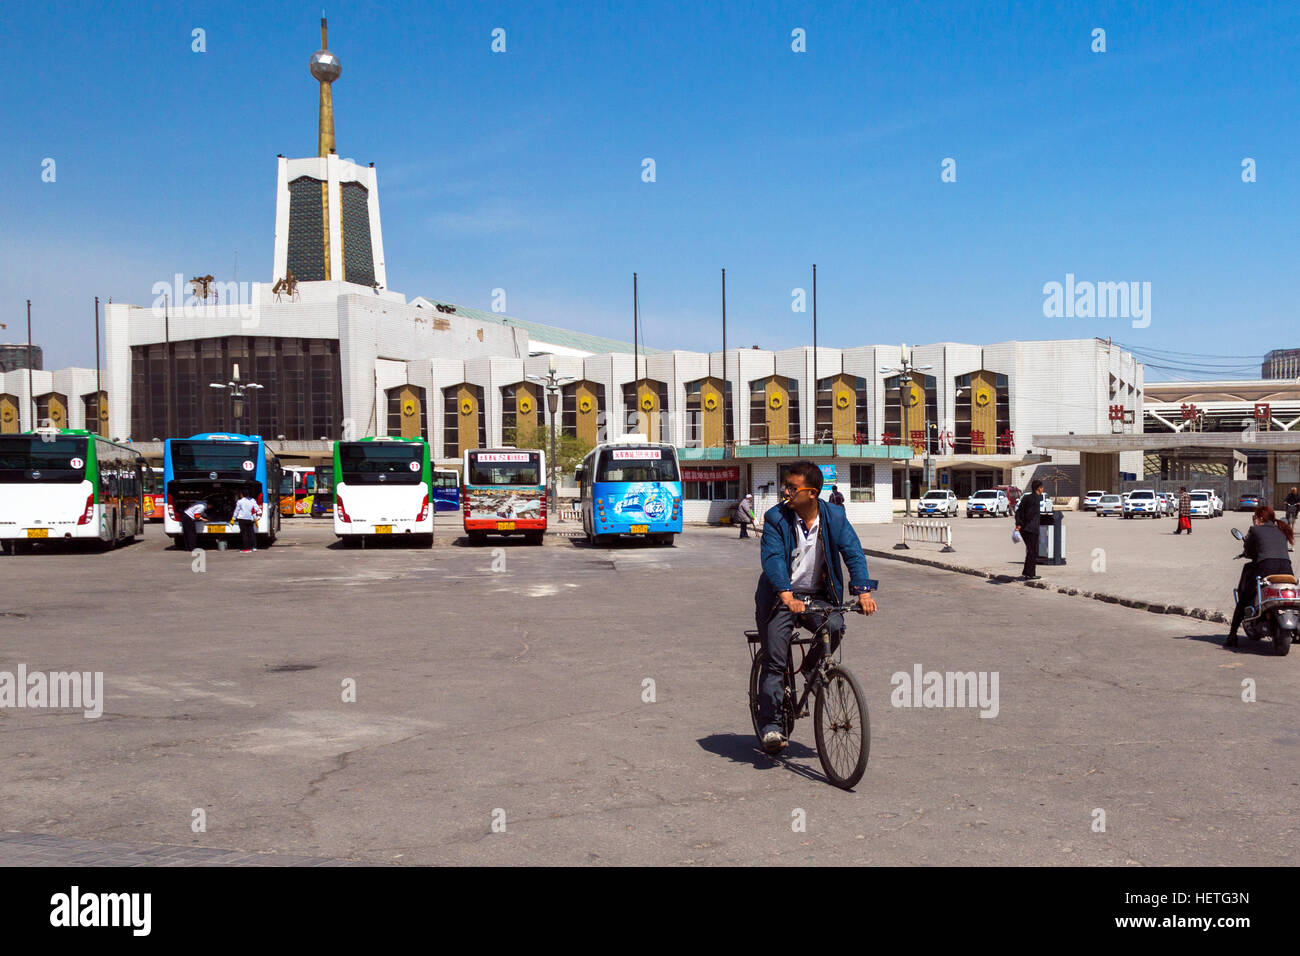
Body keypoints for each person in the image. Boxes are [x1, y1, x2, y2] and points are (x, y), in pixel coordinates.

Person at [753, 461, 878, 755]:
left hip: (817, 596)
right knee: (776, 659)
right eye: (786, 486)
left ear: (811, 493)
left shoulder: (834, 516)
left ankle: (811, 669)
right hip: (779, 596)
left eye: (792, 488)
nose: (786, 492)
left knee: (835, 626)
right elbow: (772, 559)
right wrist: (785, 594)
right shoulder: (776, 518)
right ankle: (770, 724)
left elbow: (853, 552)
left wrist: (863, 591)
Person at [1227, 505, 1295, 647]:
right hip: (1287, 569)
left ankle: (1232, 635)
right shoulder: (1281, 530)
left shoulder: (1255, 530)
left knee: (1244, 598)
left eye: (1254, 517)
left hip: (1266, 568)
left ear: (1260, 518)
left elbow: (1249, 551)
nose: (1254, 520)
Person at [1013, 479, 1044, 580]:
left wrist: (1018, 524)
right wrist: (1023, 523)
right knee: (1033, 551)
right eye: (1042, 487)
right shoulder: (1036, 499)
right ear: (1039, 488)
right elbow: (1029, 514)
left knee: (1030, 550)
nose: (1043, 489)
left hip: (1024, 529)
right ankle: (1031, 574)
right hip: (1031, 529)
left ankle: (1027, 572)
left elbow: (1018, 511)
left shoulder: (1026, 497)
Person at [231, 486, 262, 554]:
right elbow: (256, 508)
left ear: (241, 494)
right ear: (248, 494)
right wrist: (257, 517)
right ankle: (254, 547)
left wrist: (233, 518)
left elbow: (237, 511)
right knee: (251, 533)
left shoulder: (240, 502)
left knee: (244, 534)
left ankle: (247, 548)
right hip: (250, 519)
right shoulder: (252, 500)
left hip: (242, 519)